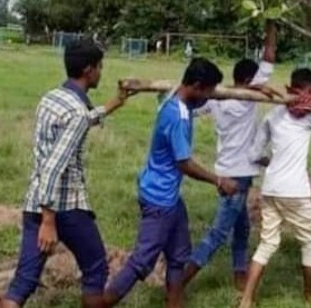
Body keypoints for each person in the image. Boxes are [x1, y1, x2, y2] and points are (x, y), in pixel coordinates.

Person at [0, 39, 133, 308]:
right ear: (88, 70)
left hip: (35, 202)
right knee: (96, 268)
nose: (101, 72)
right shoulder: (77, 112)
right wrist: (49, 221)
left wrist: (115, 103)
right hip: (65, 207)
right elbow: (54, 165)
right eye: (100, 67)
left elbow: (80, 121)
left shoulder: (52, 98)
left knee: (23, 281)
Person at [102, 57, 239, 308]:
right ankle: (101, 304)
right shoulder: (179, 117)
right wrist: (219, 180)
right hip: (159, 199)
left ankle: (174, 302)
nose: (209, 98)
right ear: (196, 86)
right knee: (142, 261)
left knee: (179, 254)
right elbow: (184, 163)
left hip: (169, 197)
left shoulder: (172, 96)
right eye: (208, 92)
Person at [238, 68, 311, 308]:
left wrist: (273, 162)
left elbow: (253, 154)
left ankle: (246, 299)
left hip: (270, 188)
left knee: (267, 243)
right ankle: (310, 297)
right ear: (309, 90)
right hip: (295, 191)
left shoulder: (273, 114)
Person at [183, 22, 279, 291]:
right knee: (218, 233)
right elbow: (269, 55)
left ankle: (239, 273)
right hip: (237, 176)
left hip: (228, 169)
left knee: (242, 228)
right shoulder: (248, 97)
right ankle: (180, 282)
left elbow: (193, 108)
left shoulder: (216, 98)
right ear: (249, 81)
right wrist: (272, 24)